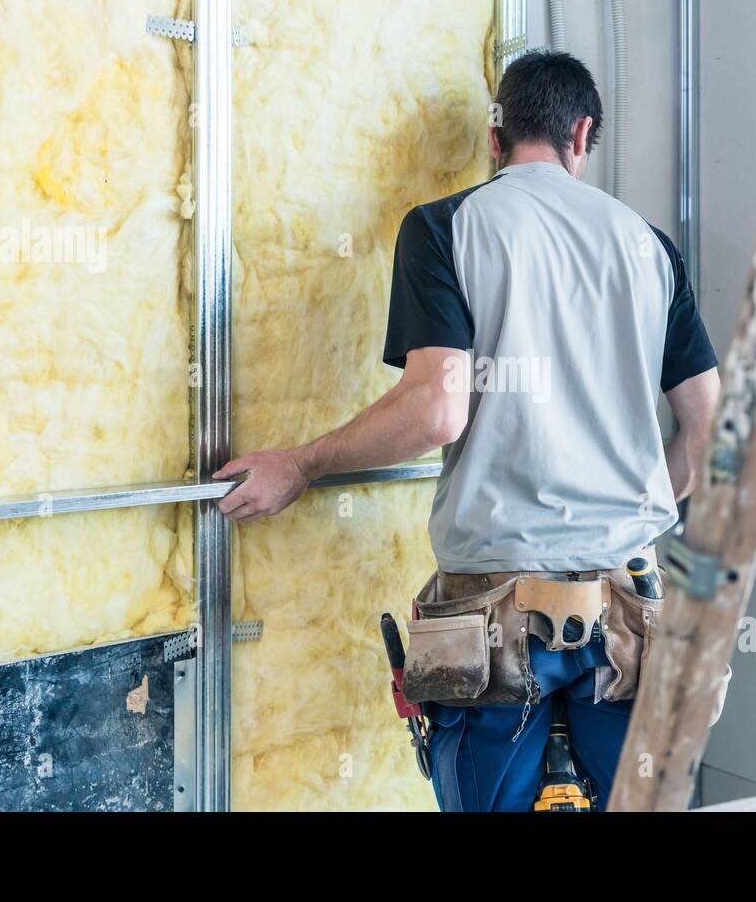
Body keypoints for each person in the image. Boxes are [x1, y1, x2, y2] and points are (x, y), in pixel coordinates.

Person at [215, 51, 720, 811]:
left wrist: (302, 464)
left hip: (494, 622)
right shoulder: (650, 249)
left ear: (495, 137)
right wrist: (627, 507)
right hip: (628, 617)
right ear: (582, 136)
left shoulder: (444, 227)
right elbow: (711, 434)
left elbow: (435, 410)